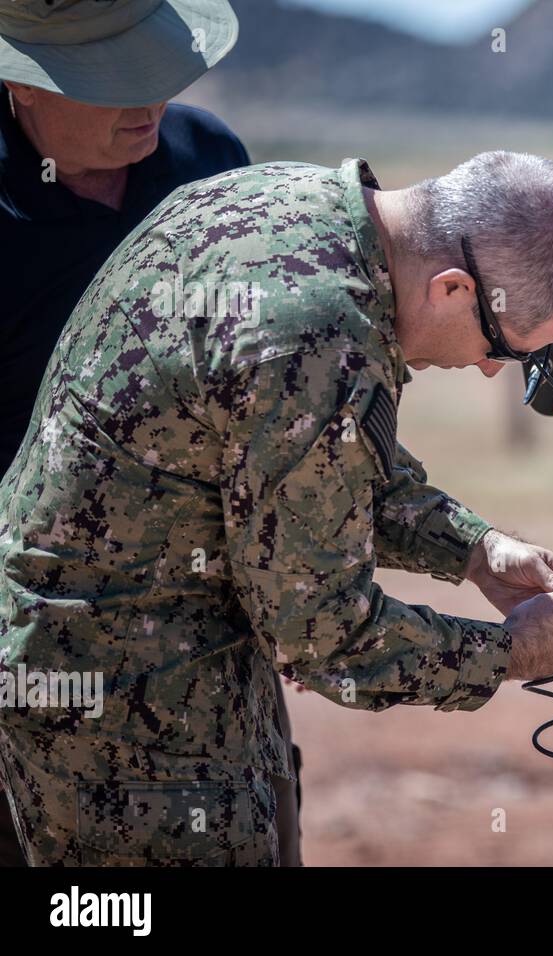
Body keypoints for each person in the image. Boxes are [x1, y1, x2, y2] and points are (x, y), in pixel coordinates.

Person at [0, 150, 553, 865]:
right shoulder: (315, 335)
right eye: (502, 345)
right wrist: (510, 652)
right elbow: (325, 637)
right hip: (129, 726)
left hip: (122, 672)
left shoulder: (294, 208)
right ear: (451, 289)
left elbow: (321, 465)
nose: (489, 368)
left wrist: (476, 549)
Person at [0, 0, 297, 865]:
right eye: (113, 81)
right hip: (33, 648)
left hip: (210, 638)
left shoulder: (211, 162)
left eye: (158, 70)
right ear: (21, 83)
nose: (149, 102)